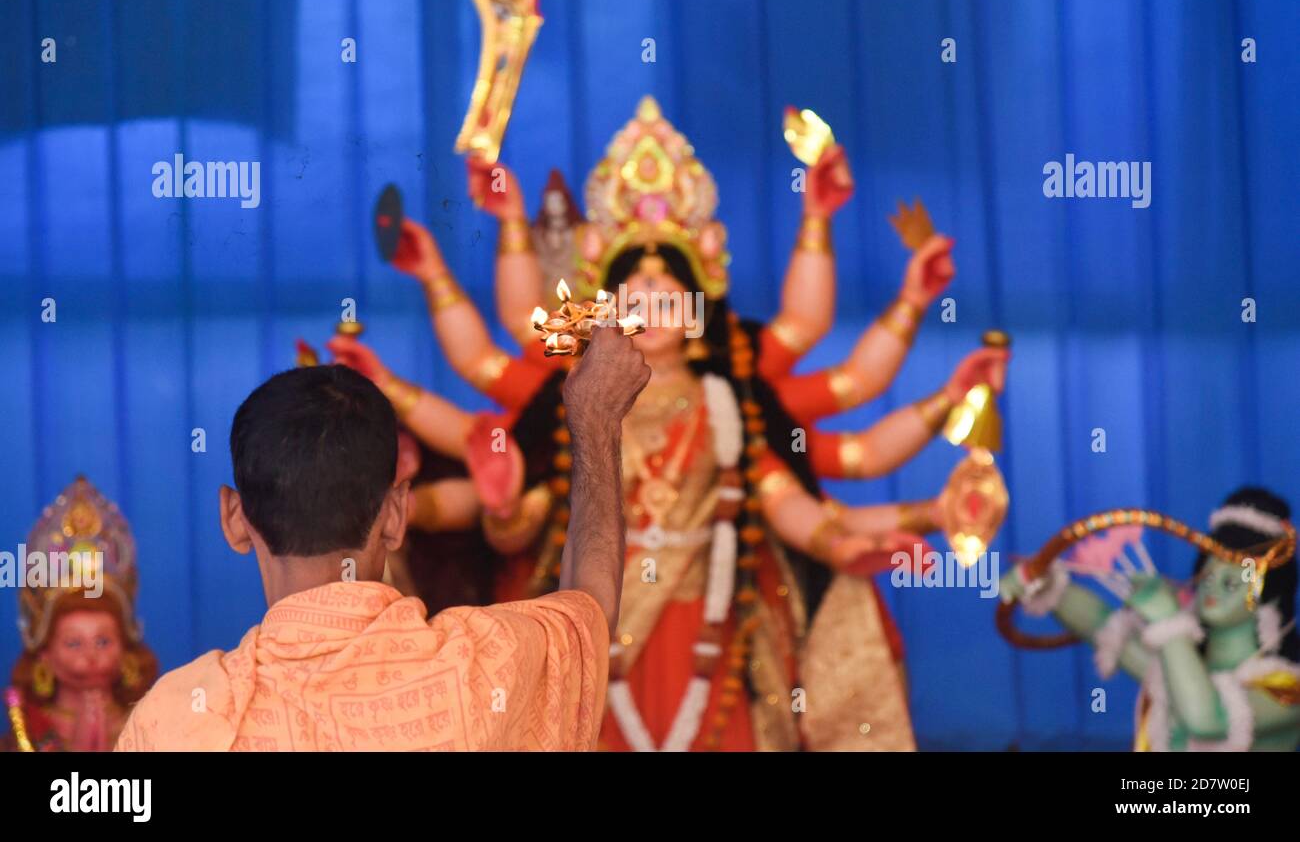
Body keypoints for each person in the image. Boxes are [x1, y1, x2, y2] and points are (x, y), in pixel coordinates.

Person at [355, 97, 1009, 750]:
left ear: (699, 307)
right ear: (602, 307)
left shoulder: (731, 399)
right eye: (631, 295)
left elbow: (797, 490)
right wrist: (502, 502)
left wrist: (845, 546)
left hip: (714, 626)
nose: (650, 305)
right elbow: (495, 365)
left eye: (669, 294)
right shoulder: (574, 389)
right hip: (594, 619)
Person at [114, 325, 649, 751]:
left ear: (233, 517)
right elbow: (590, 614)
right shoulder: (482, 665)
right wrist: (596, 421)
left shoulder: (178, 719)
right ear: (396, 515)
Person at [1001, 487, 1300, 750]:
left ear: (1270, 595)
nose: (1212, 588)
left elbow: (1208, 720)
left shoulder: (1287, 687)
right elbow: (1102, 625)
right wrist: (1044, 583)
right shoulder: (1179, 664)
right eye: (1208, 576)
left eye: (1231, 583)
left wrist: (1168, 621)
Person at [4, 477, 159, 751]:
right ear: (45, 655)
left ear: (125, 647)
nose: (90, 656)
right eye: (73, 643)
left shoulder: (152, 721)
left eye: (103, 641)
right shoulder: (26, 732)